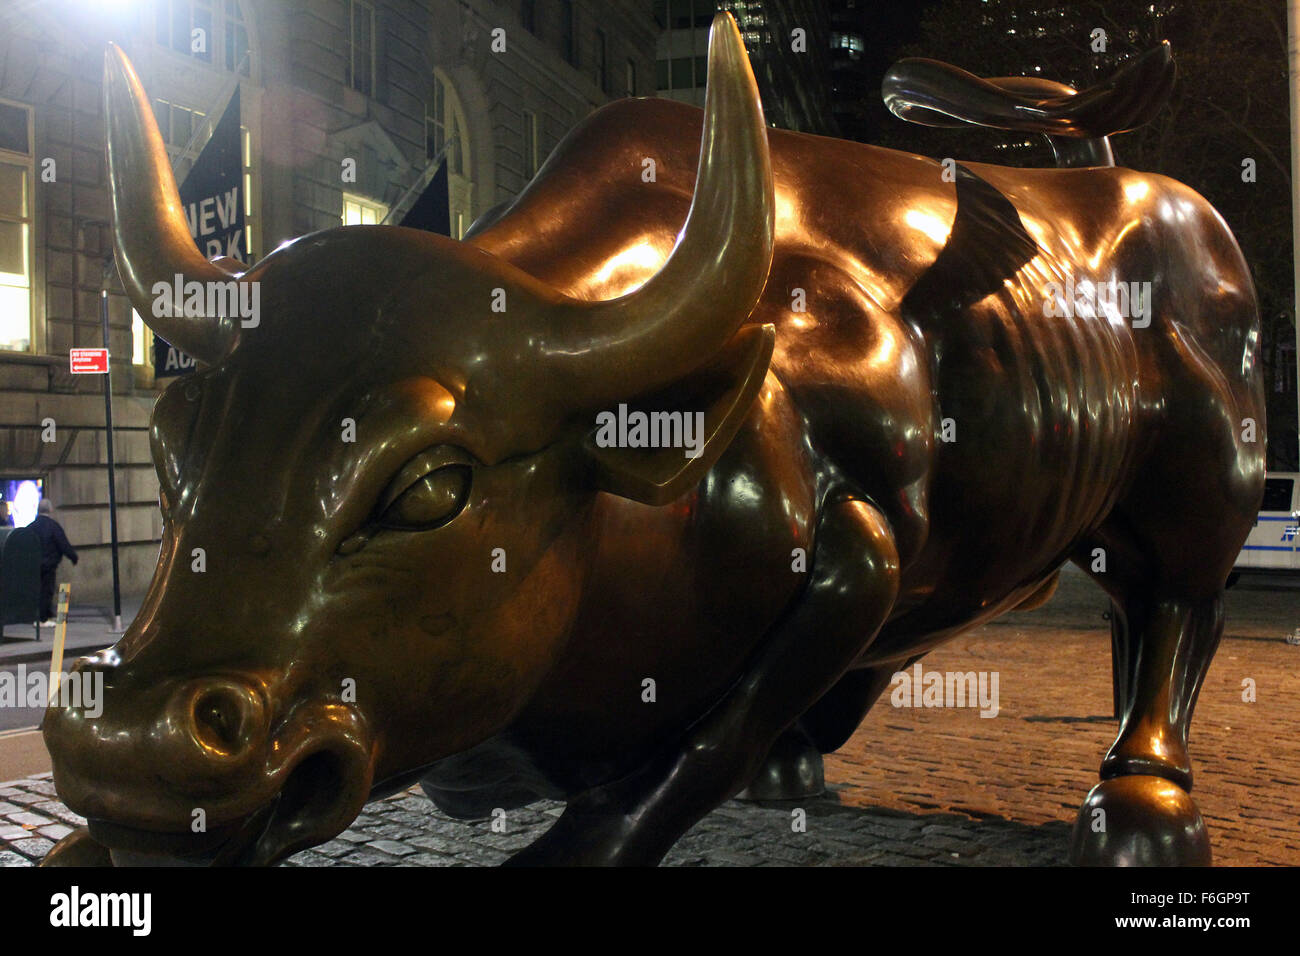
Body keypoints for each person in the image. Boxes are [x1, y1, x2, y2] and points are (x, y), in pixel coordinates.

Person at [30, 498, 77, 625]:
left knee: (37, 590)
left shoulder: (31, 527)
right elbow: (63, 544)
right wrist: (73, 557)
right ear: (50, 510)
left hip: (34, 566)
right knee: (47, 590)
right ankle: (43, 617)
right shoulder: (53, 526)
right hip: (49, 564)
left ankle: (41, 615)